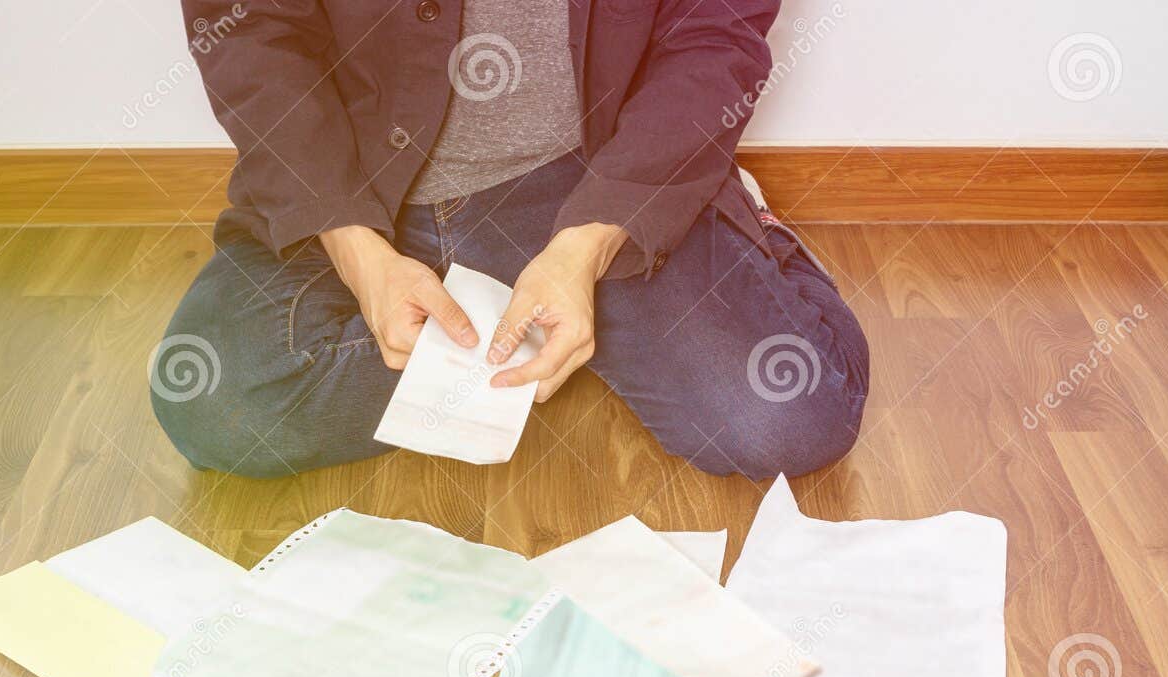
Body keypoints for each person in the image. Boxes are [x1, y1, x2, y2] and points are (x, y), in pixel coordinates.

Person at [152, 0, 868, 480]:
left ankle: (714, 242)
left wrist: (587, 246)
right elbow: (246, 29)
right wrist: (358, 250)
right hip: (355, 174)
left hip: (593, 175)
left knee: (789, 419)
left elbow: (714, 37)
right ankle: (564, 346)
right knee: (214, 404)